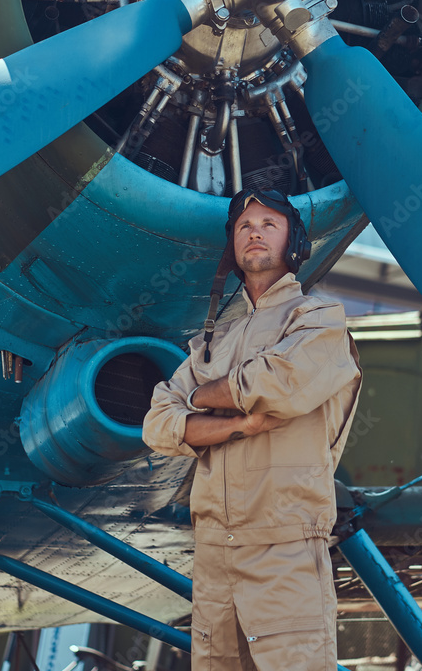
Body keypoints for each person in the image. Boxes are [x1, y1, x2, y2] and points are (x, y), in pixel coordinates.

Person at [143, 187, 362, 671]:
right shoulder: (211, 340)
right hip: (214, 548)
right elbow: (158, 425)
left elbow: (281, 385)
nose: (254, 232)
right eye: (244, 226)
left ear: (295, 243)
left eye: (269, 224)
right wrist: (237, 421)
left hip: (283, 542)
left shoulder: (318, 318)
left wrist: (198, 403)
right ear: (232, 247)